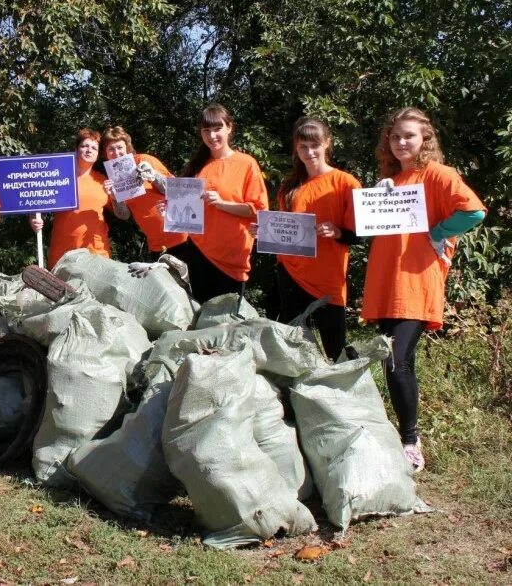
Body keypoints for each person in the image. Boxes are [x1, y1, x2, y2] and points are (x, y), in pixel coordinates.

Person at [361, 107, 485, 472]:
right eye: (395, 136)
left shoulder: (437, 174)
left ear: (425, 139)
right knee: (398, 362)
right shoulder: (391, 180)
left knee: (395, 361)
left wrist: (439, 233)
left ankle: (410, 441)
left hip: (415, 281)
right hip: (387, 280)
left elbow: (474, 212)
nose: (401, 142)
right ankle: (404, 435)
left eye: (409, 136)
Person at [267, 117, 361, 360]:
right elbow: (284, 232)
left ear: (327, 143)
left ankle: (346, 384)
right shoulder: (289, 187)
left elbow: (359, 235)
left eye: (314, 145)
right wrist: (265, 232)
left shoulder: (346, 183)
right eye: (303, 147)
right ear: (296, 149)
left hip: (329, 278)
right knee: (293, 349)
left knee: (336, 349)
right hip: (291, 274)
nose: (309, 152)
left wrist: (338, 232)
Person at [170, 104, 268, 302]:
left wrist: (222, 204)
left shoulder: (246, 163)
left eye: (217, 129)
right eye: (206, 130)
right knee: (199, 316)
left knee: (225, 318)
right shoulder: (197, 166)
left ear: (229, 128)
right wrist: (170, 209)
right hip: (198, 253)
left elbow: (258, 210)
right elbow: (186, 210)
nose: (212, 135)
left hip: (232, 258)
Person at [29, 128, 130, 269]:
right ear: (76, 150)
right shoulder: (58, 177)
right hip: (62, 254)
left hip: (97, 253)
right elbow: (36, 202)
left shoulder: (104, 181)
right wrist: (34, 219)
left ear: (98, 155)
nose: (89, 150)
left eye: (94, 148)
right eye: (84, 146)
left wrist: (115, 198)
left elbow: (124, 215)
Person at [99, 126, 187, 261]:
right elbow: (124, 215)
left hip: (182, 235)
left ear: (127, 147)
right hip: (157, 246)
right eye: (111, 149)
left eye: (120, 147)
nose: (116, 152)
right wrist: (115, 198)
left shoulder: (143, 160)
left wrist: (154, 176)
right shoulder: (112, 179)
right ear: (106, 153)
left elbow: (177, 190)